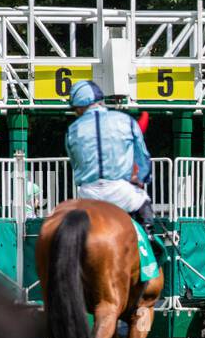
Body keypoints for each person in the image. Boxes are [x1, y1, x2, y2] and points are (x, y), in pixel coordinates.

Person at [63, 79, 162, 262]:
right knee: (144, 202)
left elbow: (75, 164)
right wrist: (142, 179)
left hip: (88, 195)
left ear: (79, 107)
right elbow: (142, 157)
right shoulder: (126, 121)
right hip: (120, 192)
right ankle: (149, 247)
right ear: (100, 101)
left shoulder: (72, 130)